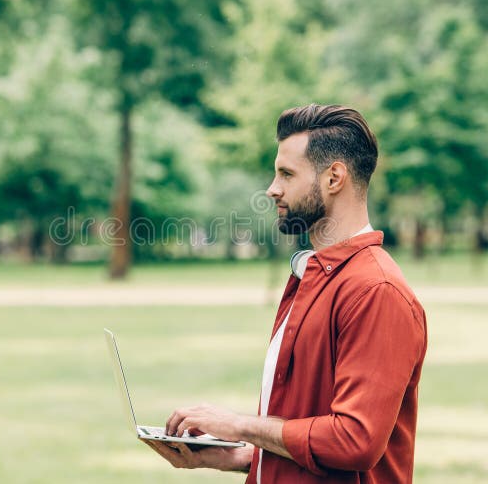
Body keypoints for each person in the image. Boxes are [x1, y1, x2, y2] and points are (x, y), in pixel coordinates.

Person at [143, 104, 428, 483]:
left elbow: (355, 440)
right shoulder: (314, 276)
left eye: (286, 174)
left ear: (334, 177)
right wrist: (242, 457)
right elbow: (309, 437)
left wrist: (241, 425)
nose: (272, 188)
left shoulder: (376, 291)